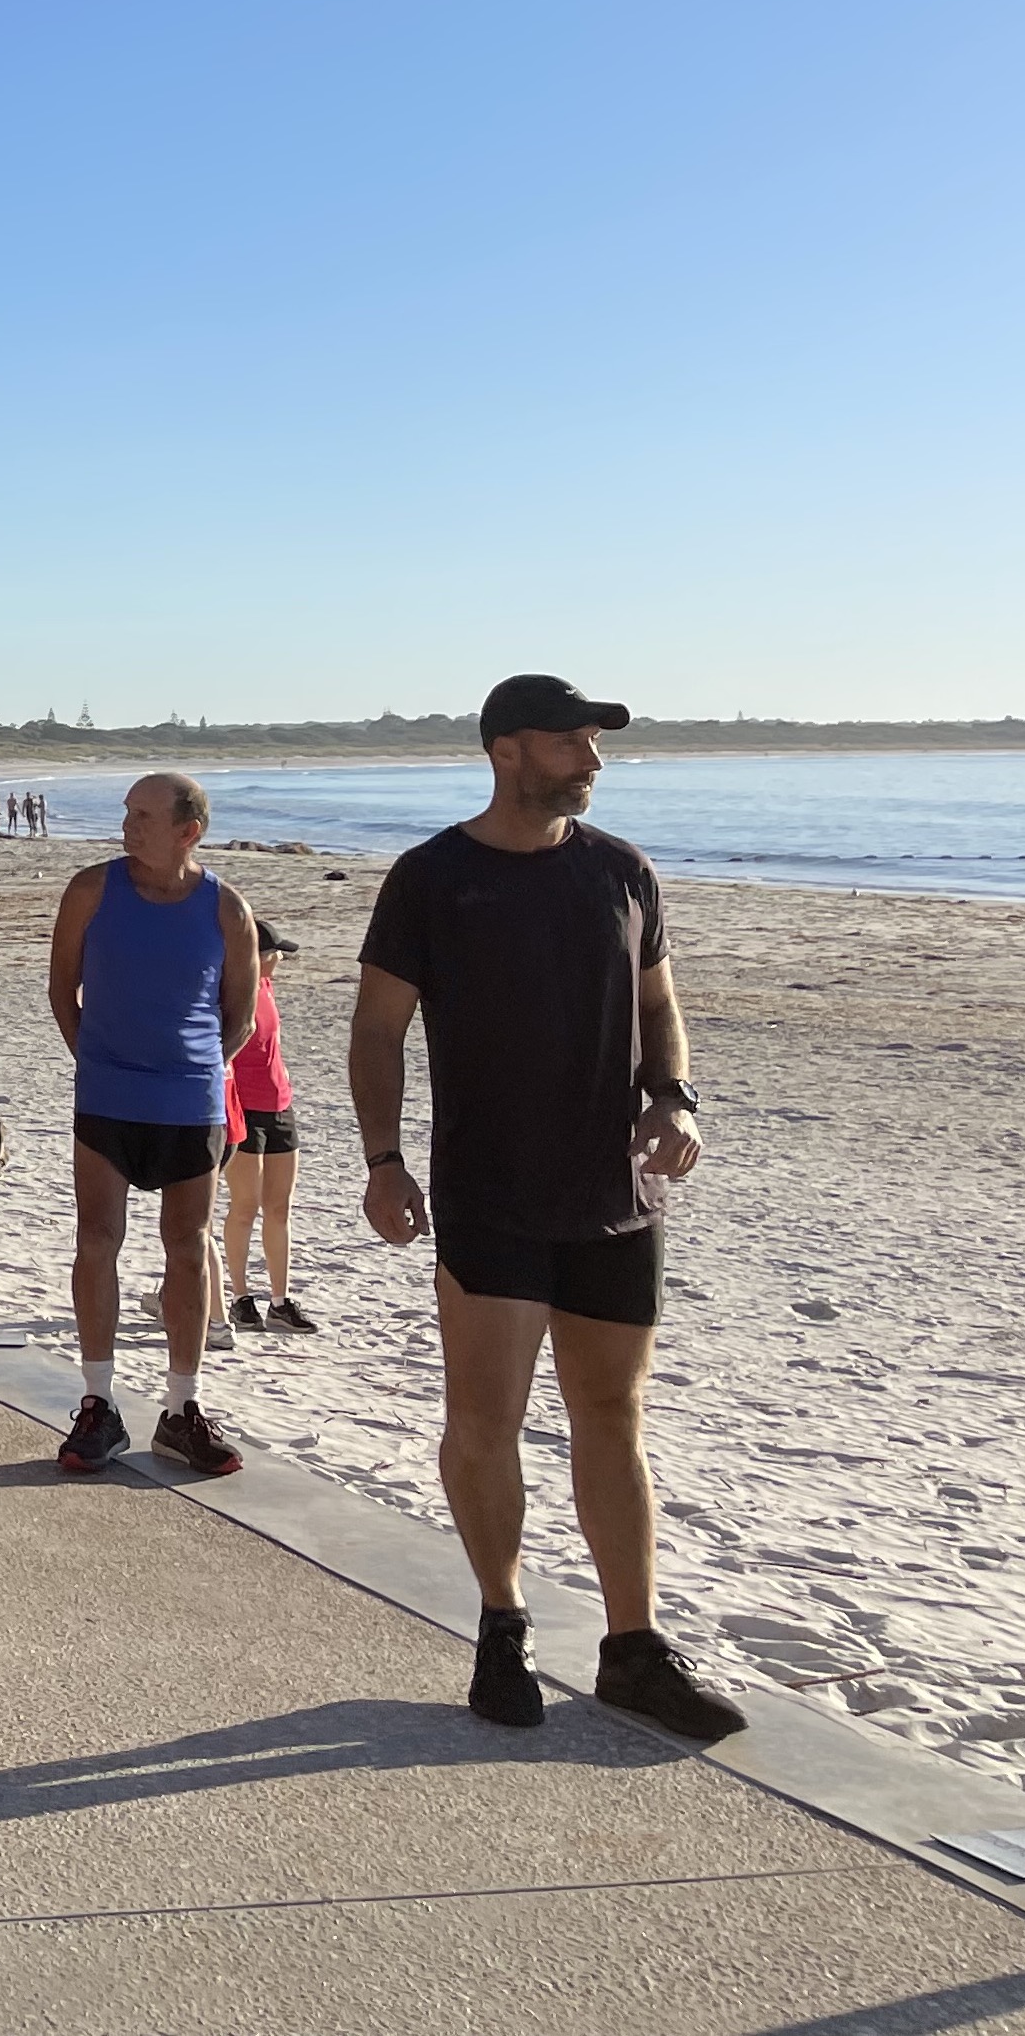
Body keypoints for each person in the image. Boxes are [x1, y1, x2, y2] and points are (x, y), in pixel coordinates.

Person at [351, 675, 744, 1742]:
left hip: (616, 1196)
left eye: (593, 742)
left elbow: (659, 1005)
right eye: (573, 740)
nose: (592, 758)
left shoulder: (620, 869)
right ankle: (502, 1623)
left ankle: (632, 1648)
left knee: (612, 1415)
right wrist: (384, 1160)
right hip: (491, 1196)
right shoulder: (432, 878)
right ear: (508, 748)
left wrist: (677, 1098)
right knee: (485, 1420)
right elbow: (377, 1028)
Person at [47, 772, 259, 1480]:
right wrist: (97, 1060)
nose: (127, 824)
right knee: (97, 1238)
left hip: (189, 1105)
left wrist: (194, 1068)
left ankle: (181, 1407)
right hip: (106, 1097)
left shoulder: (225, 907)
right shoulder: (90, 888)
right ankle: (97, 1402)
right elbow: (61, 987)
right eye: (127, 811)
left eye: (143, 814)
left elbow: (240, 1014)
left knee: (188, 1248)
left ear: (186, 829)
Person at [222, 917, 316, 1337]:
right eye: (276, 953)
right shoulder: (231, 991)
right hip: (244, 1108)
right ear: (258, 956)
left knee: (279, 1207)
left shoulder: (266, 986)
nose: (280, 959)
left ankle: (280, 1300)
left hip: (280, 1105)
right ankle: (241, 1298)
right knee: (245, 1206)